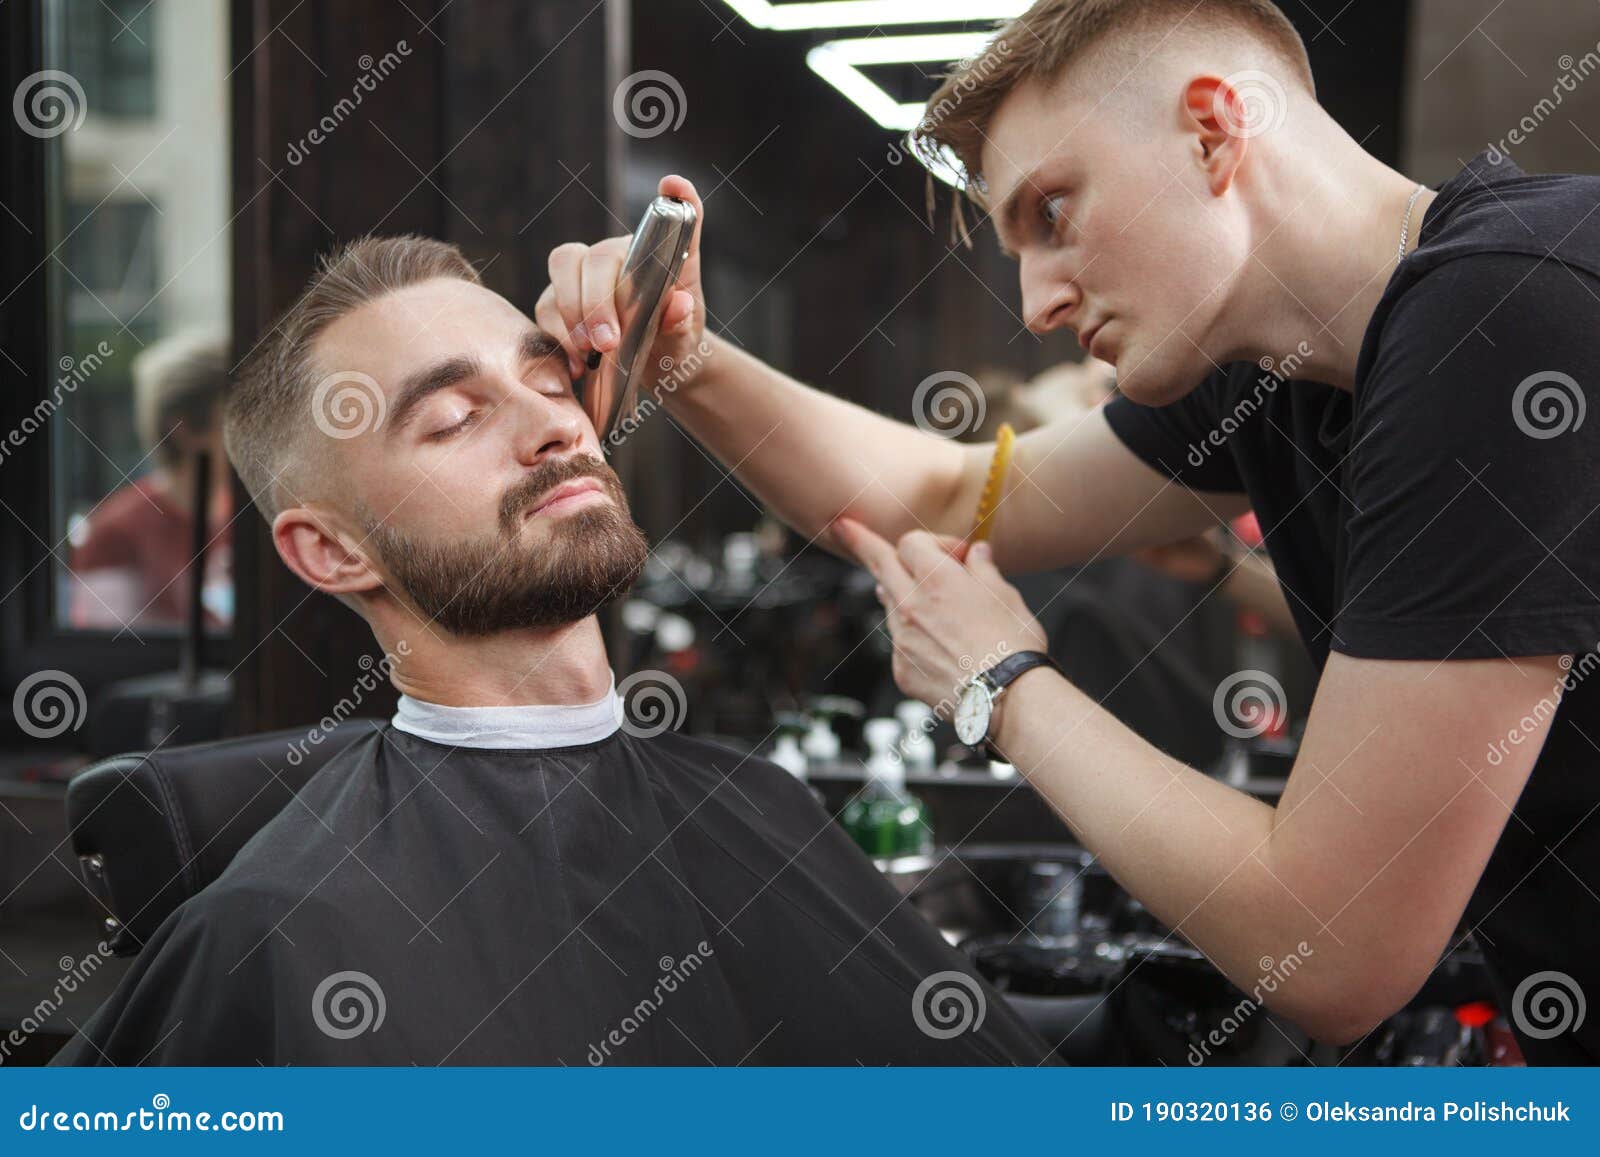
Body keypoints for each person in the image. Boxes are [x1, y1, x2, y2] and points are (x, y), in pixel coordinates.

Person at [536, 0, 1600, 1063]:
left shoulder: (1504, 312)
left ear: (1213, 130)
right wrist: (687, 360)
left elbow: (1330, 949)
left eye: (1053, 211)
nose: (1036, 302)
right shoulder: (1272, 378)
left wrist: (997, 682)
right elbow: (950, 492)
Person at [49, 236, 1051, 1067]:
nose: (553, 427)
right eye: (452, 418)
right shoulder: (278, 933)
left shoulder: (760, 804)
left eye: (546, 378)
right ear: (331, 548)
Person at [67, 332, 234, 630]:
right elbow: (110, 652)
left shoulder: (245, 521)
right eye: (233, 418)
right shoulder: (115, 534)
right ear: (185, 428)